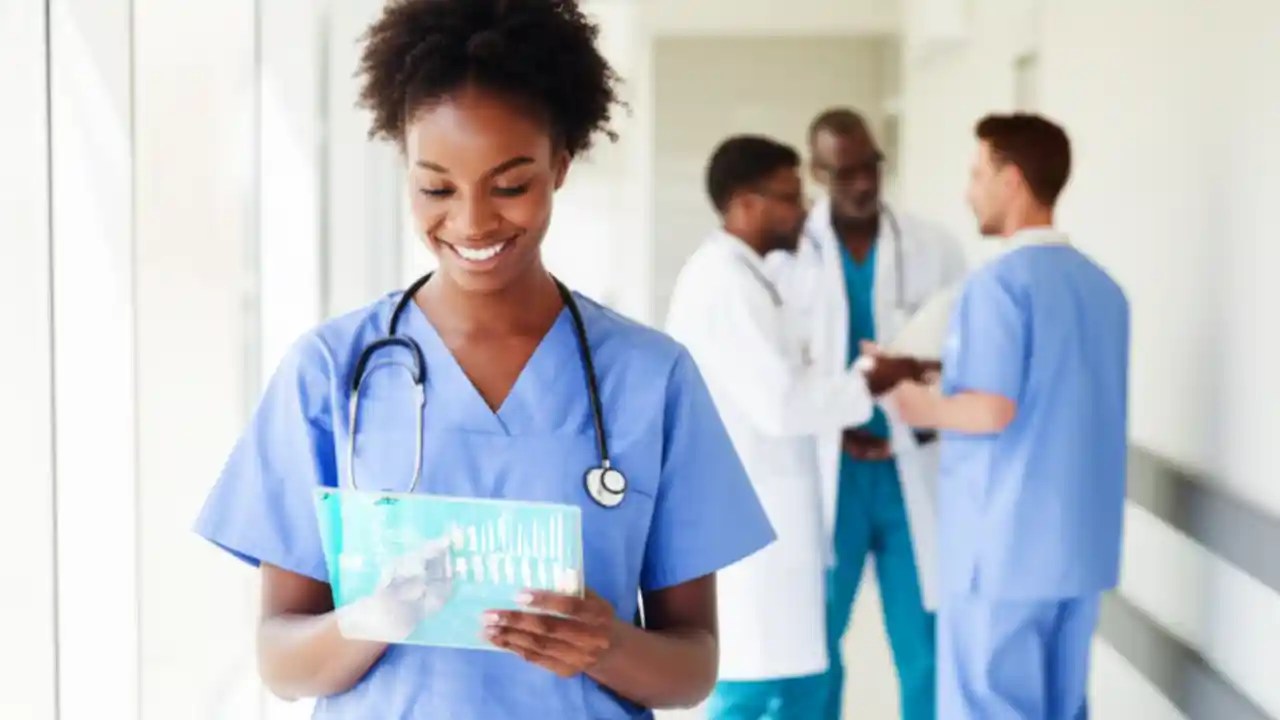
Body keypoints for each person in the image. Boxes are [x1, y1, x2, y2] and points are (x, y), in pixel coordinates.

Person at [193, 2, 778, 718]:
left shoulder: (651, 379)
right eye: (436, 187)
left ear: (560, 164)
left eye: (510, 185)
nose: (472, 222)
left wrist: (606, 644)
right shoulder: (329, 373)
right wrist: (378, 615)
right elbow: (282, 660)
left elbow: (692, 669)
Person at [665, 135, 930, 720]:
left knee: (795, 682)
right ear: (744, 203)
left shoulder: (753, 279)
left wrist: (861, 378)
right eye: (788, 197)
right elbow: (783, 404)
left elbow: (793, 382)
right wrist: (872, 381)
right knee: (748, 690)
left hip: (779, 515)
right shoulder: (722, 284)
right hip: (752, 521)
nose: (805, 209)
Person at [888, 113, 1129, 719]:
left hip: (1004, 550)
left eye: (978, 173)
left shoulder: (997, 286)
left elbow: (994, 409)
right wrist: (951, 381)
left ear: (1012, 179)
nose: (970, 190)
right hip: (1080, 550)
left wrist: (919, 403)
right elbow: (1058, 394)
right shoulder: (1104, 290)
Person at [792, 108, 968, 720]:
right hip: (829, 473)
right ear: (817, 172)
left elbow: (963, 349)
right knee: (815, 649)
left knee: (925, 649)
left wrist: (925, 375)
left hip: (906, 471)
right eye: (845, 173)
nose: (863, 183)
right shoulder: (791, 254)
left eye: (870, 167)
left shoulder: (934, 247)